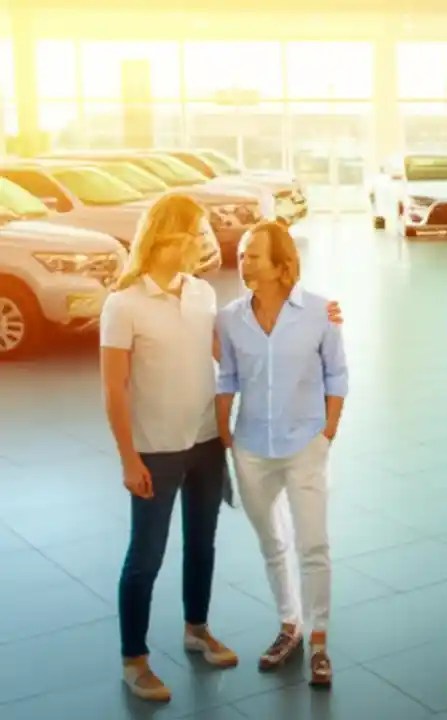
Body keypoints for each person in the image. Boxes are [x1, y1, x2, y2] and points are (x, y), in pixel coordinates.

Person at [100, 193, 240, 702]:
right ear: (169, 238)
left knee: (201, 544)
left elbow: (229, 353)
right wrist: (128, 457)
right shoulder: (124, 303)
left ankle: (196, 629)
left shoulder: (201, 294)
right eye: (197, 234)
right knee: (146, 557)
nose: (204, 244)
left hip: (205, 443)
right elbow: (113, 387)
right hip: (154, 450)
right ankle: (133, 658)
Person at [215, 220, 347, 688]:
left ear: (280, 264)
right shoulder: (229, 316)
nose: (243, 260)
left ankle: (319, 641)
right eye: (244, 253)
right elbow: (226, 375)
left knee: (314, 544)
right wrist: (224, 433)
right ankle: (288, 625)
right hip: (251, 447)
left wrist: (328, 430)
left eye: (253, 254)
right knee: (271, 543)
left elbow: (337, 373)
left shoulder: (319, 312)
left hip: (304, 444)